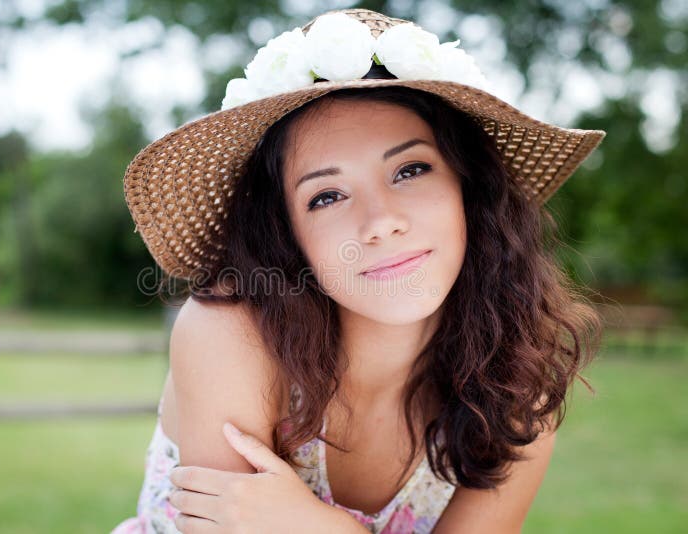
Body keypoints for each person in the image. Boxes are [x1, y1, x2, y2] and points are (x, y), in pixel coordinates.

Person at [112, 8, 606, 534]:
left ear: (469, 187)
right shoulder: (231, 332)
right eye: (326, 196)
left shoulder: (517, 386)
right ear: (287, 235)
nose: (381, 223)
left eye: (410, 169)